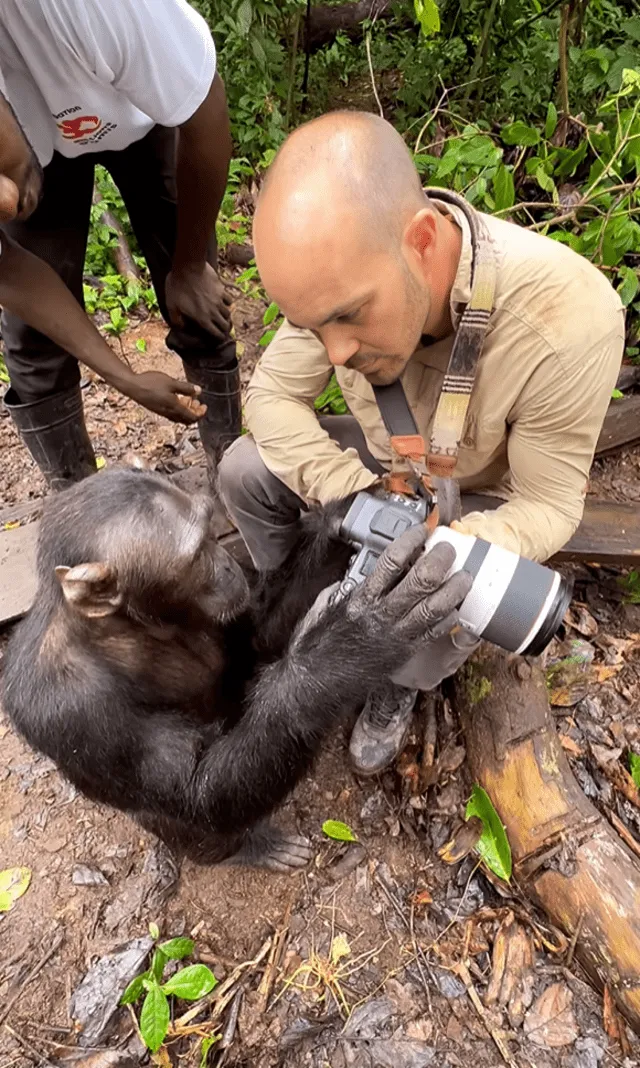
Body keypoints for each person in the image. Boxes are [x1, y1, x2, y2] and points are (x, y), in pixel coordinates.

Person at [218, 110, 625, 777]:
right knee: (243, 468)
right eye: (312, 328)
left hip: (476, 488)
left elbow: (549, 506)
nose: (337, 352)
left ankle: (397, 682)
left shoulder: (569, 317)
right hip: (381, 470)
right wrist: (351, 494)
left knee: (442, 580)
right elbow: (269, 398)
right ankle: (299, 585)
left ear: (422, 242)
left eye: (350, 316)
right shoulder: (332, 274)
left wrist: (440, 547)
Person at [0, 0, 238, 490]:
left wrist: (191, 264)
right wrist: (124, 377)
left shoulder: (96, 8)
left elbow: (205, 111)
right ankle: (81, 509)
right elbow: (7, 270)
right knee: (31, 341)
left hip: (141, 110)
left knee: (196, 295)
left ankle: (232, 476)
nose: (3, 202)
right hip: (35, 140)